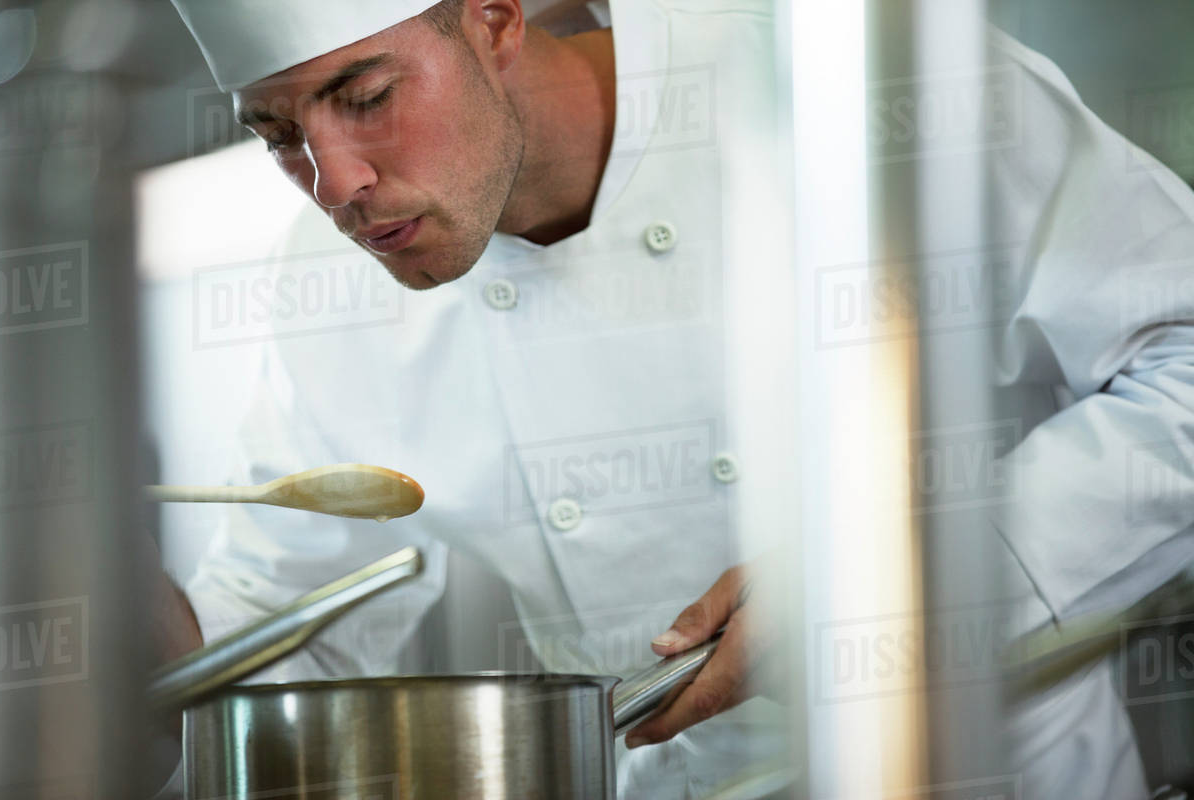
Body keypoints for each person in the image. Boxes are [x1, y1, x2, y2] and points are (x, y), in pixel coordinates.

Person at [156, 0, 1194, 797]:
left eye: (367, 96)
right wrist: (165, 644)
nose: (333, 183)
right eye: (278, 135)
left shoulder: (848, 85)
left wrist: (884, 576)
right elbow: (296, 614)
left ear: (496, 19)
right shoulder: (328, 279)